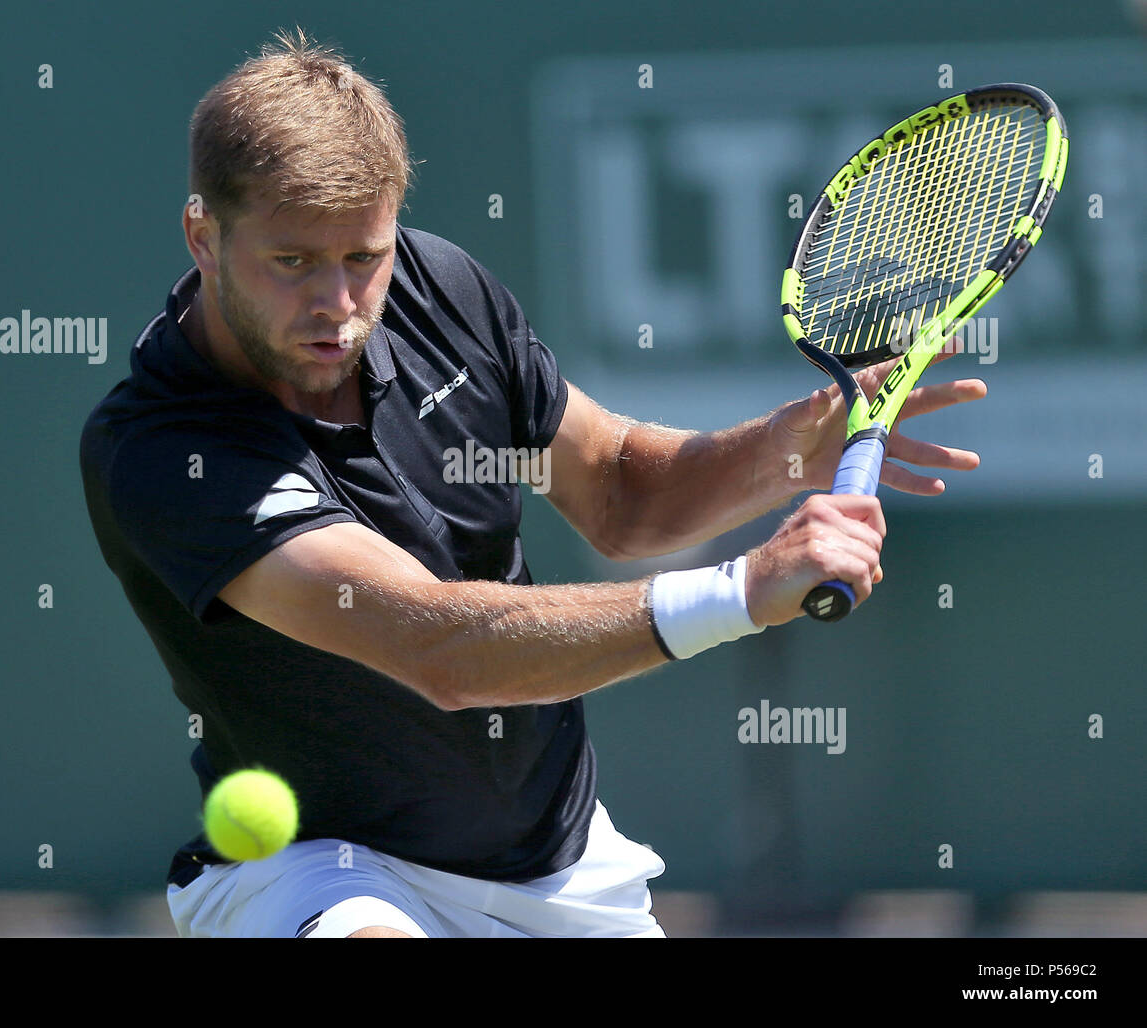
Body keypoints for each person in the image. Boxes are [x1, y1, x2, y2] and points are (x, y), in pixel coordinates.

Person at [79, 29, 985, 938]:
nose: (338, 305)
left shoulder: (442, 289)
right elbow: (441, 649)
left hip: (560, 862)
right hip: (323, 868)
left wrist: (794, 444)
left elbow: (625, 497)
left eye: (363, 258)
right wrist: (743, 590)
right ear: (204, 232)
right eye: (292, 262)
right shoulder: (163, 453)